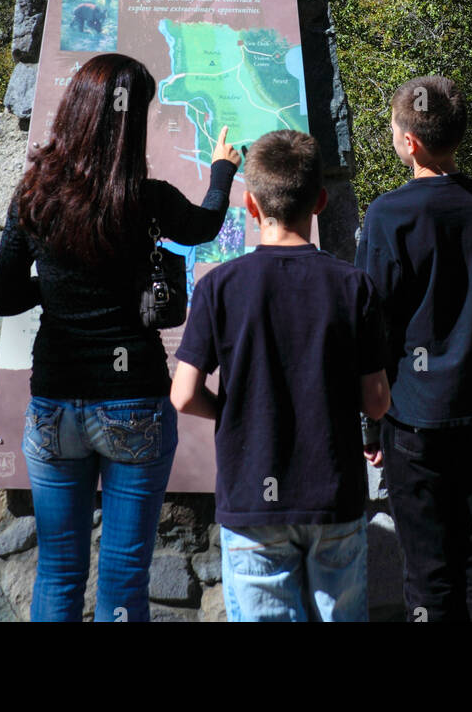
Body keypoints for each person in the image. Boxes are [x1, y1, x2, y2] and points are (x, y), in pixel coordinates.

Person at [0, 52, 240, 622]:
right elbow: (204, 224)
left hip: (55, 405)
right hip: (134, 408)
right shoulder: (146, 199)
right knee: (124, 574)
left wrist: (54, 289)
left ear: (76, 110)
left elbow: (3, 296)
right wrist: (221, 168)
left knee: (57, 571)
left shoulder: (35, 193)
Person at [171, 129, 390, 622]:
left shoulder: (219, 288)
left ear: (250, 204)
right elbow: (376, 400)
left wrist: (230, 412)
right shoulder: (354, 287)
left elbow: (183, 395)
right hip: (333, 495)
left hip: (253, 501)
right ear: (321, 201)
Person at [355, 75, 472, 623]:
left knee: (427, 576)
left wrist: (371, 425)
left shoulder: (388, 215)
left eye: (396, 129)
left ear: (411, 142)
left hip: (413, 416)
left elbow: (369, 327)